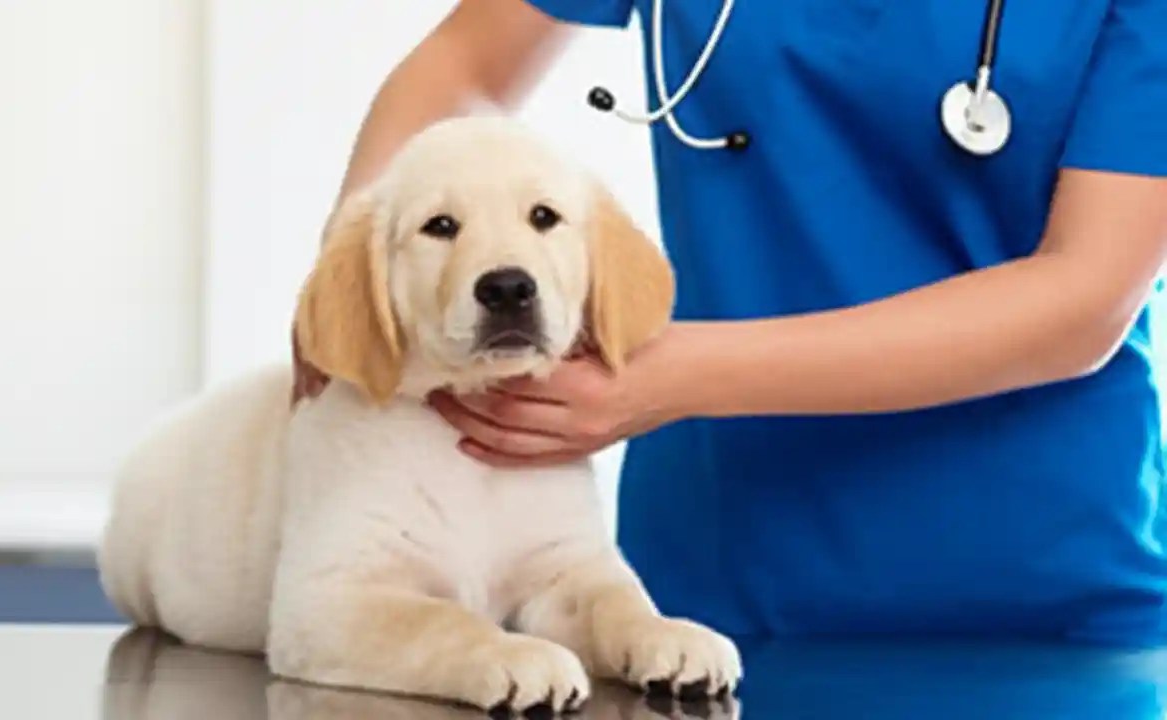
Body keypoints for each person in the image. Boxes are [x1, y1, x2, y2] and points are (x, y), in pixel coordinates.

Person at [293, 0, 1167, 643]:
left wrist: (673, 373)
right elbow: (466, 64)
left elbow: (1084, 299)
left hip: (1034, 597)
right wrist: (348, 276)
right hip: (709, 585)